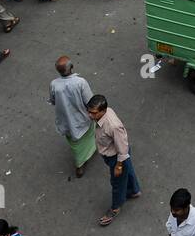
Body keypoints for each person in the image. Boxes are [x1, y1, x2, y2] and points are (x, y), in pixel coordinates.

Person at [87, 94, 140, 227]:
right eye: (89, 111)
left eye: (93, 113)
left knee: (117, 183)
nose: (90, 115)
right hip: (116, 154)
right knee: (129, 172)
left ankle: (115, 208)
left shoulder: (113, 126)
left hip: (116, 157)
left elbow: (122, 149)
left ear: (103, 111)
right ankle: (134, 190)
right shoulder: (105, 113)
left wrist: (118, 165)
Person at [49, 56, 95, 177]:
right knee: (88, 136)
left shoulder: (54, 84)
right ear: (72, 67)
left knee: (76, 144)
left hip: (66, 122)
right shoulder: (80, 82)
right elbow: (90, 101)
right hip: (83, 120)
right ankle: (80, 164)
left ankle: (80, 163)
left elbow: (53, 101)